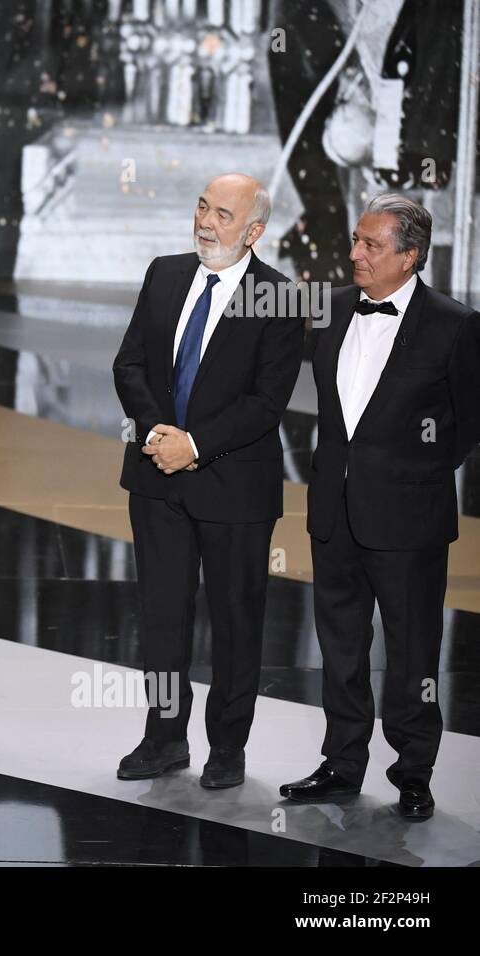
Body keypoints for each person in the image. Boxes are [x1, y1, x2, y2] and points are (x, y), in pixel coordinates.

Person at [281, 194, 480, 820]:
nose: (354, 254)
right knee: (339, 646)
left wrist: (411, 474)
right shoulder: (334, 310)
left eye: (370, 245)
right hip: (333, 511)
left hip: (408, 521)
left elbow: (467, 423)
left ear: (410, 255)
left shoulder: (455, 323)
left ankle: (413, 772)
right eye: (356, 241)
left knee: (413, 650)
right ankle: (341, 763)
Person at [112, 173, 304, 789]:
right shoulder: (164, 273)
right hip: (156, 479)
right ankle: (164, 739)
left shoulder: (279, 296)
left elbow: (266, 403)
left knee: (237, 619)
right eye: (201, 206)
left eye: (222, 214)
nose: (204, 221)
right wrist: (156, 435)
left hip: (234, 488)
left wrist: (194, 445)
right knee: (164, 617)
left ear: (253, 231)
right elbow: (130, 363)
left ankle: (228, 748)